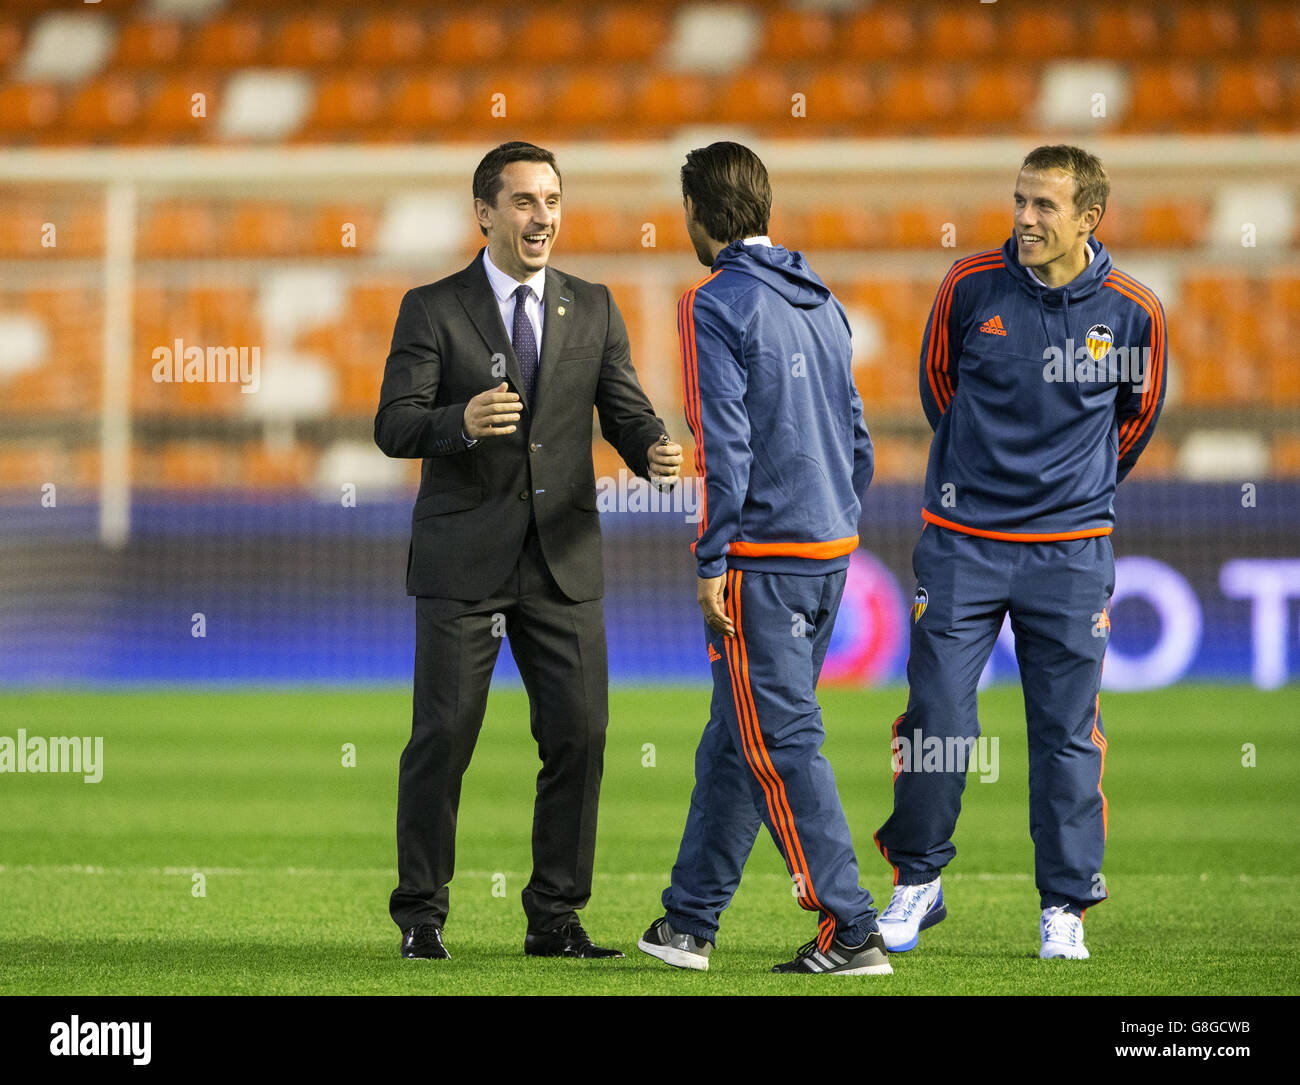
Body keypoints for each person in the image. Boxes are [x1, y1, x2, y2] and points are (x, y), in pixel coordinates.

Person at [375, 140, 683, 960]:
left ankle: (555, 919)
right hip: (462, 561)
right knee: (442, 737)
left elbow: (624, 409)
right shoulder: (432, 307)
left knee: (581, 735)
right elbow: (392, 424)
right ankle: (422, 915)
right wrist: (458, 423)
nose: (541, 215)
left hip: (563, 559)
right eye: (522, 201)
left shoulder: (595, 305)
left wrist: (652, 448)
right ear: (484, 213)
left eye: (551, 199)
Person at [872, 145, 1167, 960]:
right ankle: (916, 883)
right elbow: (939, 390)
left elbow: (1132, 424)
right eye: (1019, 201)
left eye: (1044, 206)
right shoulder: (970, 287)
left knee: (1067, 731)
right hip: (964, 544)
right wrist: (980, 479)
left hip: (1071, 555)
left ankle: (1065, 905)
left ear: (1088, 218)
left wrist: (1074, 495)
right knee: (938, 716)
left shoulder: (1135, 312)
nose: (1025, 218)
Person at [637, 141, 888, 975]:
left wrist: (713, 556)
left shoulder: (714, 303)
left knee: (780, 740)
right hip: (828, 550)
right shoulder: (820, 297)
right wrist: (838, 518)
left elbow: (723, 442)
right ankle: (689, 922)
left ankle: (850, 928)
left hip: (762, 556)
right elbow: (856, 436)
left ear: (698, 215)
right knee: (736, 736)